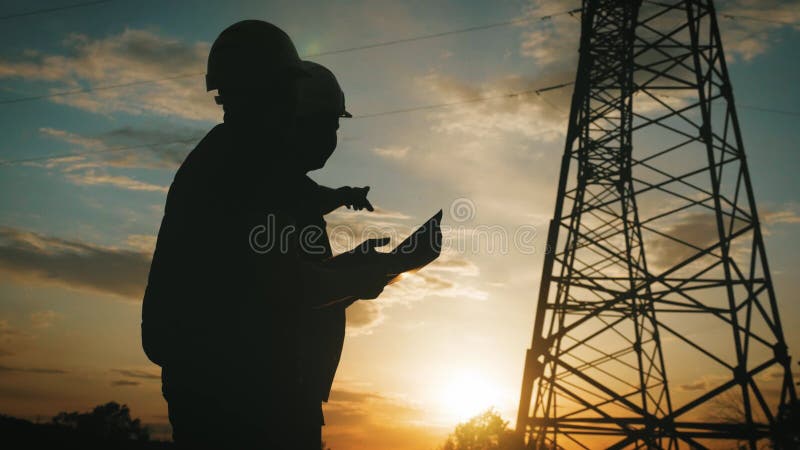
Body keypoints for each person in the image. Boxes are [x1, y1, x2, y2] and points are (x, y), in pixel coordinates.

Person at [140, 20, 390, 449]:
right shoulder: (239, 168)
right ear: (269, 93)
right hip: (237, 398)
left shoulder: (241, 162)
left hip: (250, 388)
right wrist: (361, 277)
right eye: (288, 90)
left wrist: (354, 266)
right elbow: (284, 284)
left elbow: (284, 273)